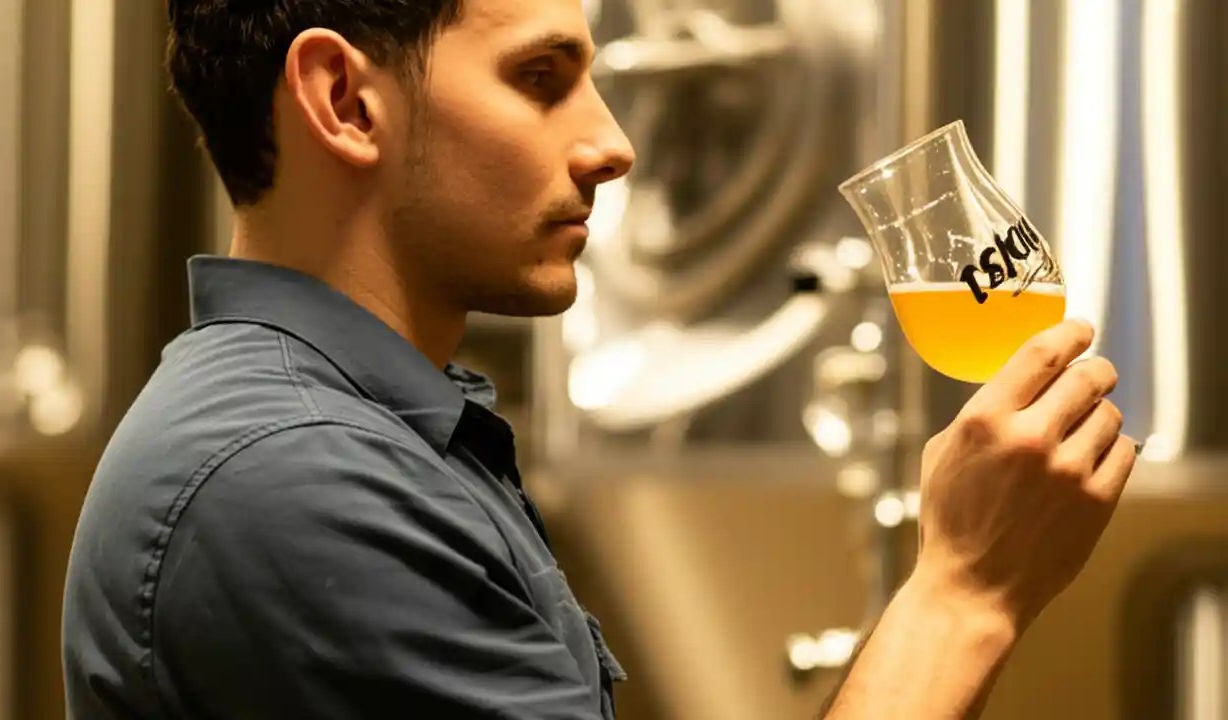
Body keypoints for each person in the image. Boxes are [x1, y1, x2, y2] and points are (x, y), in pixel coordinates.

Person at [60, 1, 1139, 718]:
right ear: (344, 101)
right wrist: (961, 597)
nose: (612, 143)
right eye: (541, 77)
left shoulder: (377, 436)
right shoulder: (294, 483)